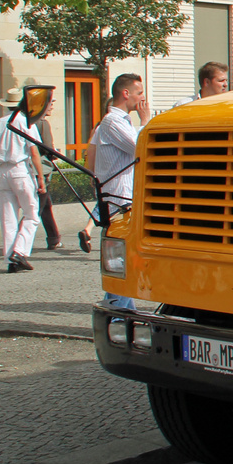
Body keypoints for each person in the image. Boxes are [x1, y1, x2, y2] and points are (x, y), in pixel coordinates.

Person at [90, 73, 150, 309]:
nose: (142, 98)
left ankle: (120, 308)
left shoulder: (122, 121)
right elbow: (140, 148)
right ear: (126, 94)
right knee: (120, 259)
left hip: (124, 198)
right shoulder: (112, 121)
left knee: (124, 259)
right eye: (139, 93)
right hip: (117, 200)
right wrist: (145, 121)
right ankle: (118, 311)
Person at [0, 87, 47, 272]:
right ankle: (19, 251)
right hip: (20, 170)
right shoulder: (26, 122)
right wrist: (40, 177)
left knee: (8, 219)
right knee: (31, 214)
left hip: (2, 171)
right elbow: (34, 151)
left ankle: (10, 259)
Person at [30, 85, 63, 251]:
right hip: (40, 170)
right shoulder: (42, 123)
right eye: (50, 103)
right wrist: (55, 153)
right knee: (37, 207)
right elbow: (47, 147)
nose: (51, 106)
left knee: (46, 206)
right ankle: (23, 241)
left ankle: (53, 237)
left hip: (29, 169)